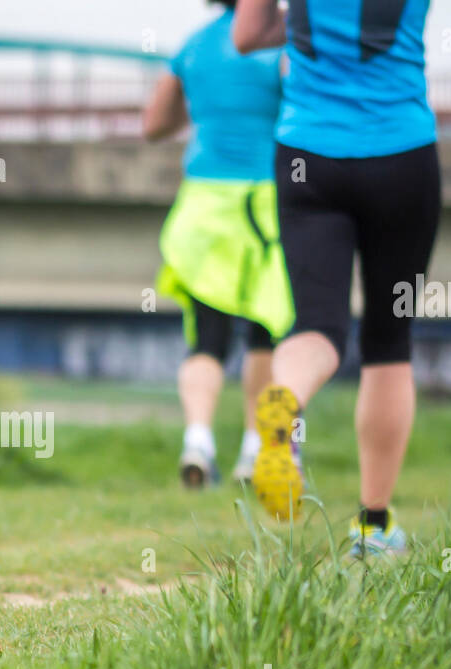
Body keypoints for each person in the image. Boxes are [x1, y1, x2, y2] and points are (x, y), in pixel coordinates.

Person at [233, 0, 451, 555]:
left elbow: (246, 35)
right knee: (389, 342)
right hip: (400, 153)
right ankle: (373, 525)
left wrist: (303, 29)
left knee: (316, 326)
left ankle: (283, 403)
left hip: (306, 155)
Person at [144, 0, 294, 489]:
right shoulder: (284, 40)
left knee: (206, 339)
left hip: (202, 205)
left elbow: (154, 125)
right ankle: (256, 450)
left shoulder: (194, 46)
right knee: (263, 331)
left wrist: (212, 108)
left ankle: (198, 441)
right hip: (264, 205)